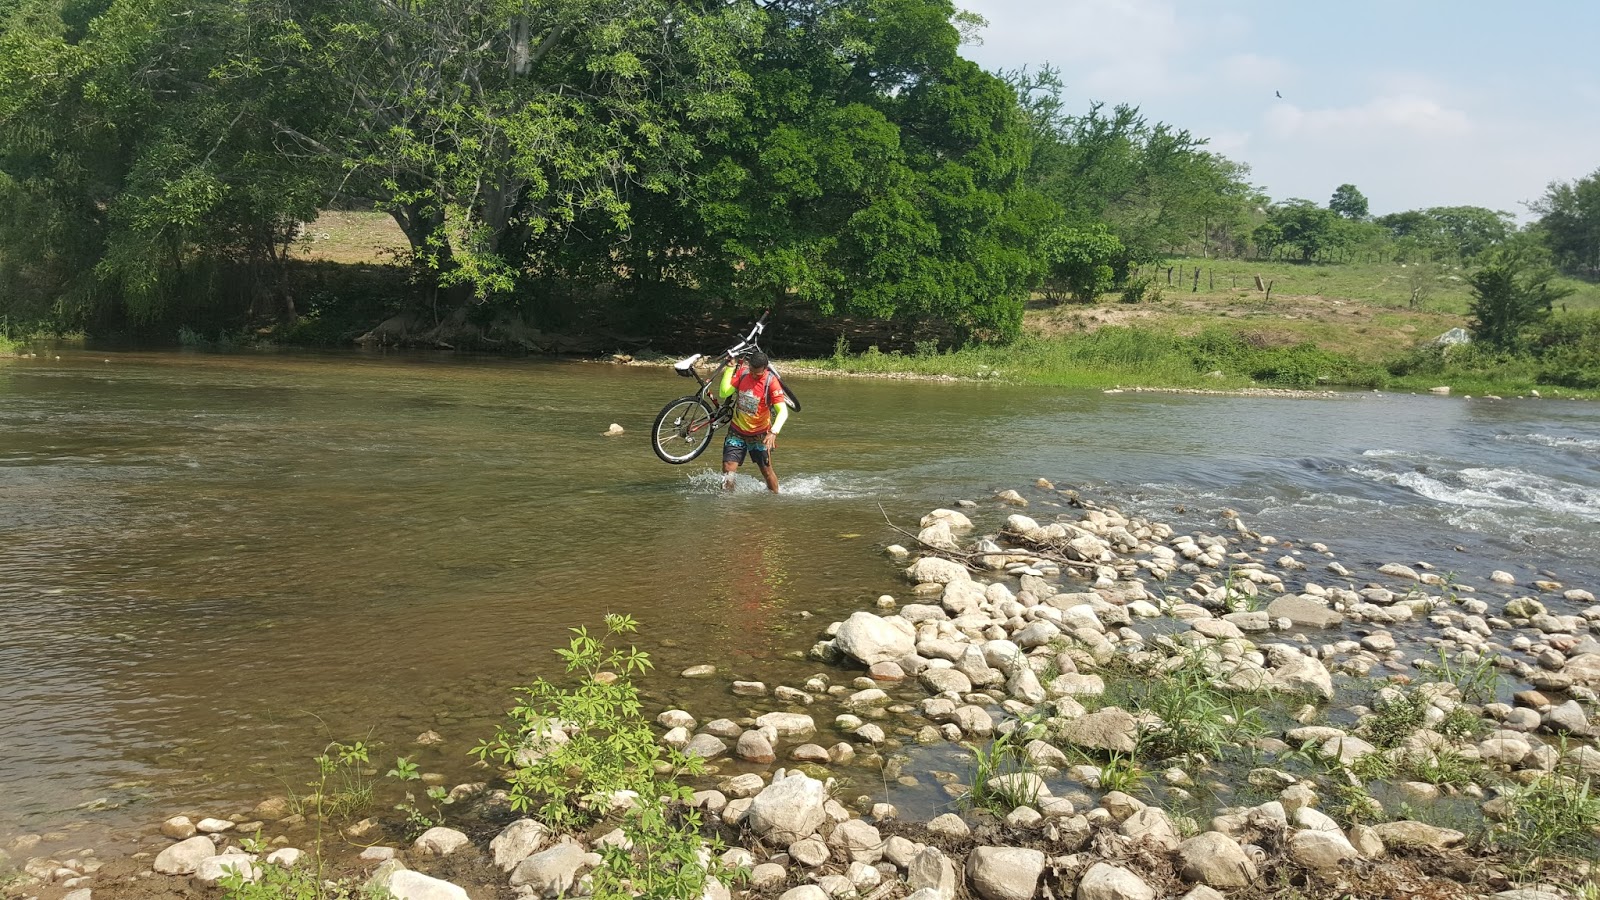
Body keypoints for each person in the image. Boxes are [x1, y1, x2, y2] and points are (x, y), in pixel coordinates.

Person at [718, 350, 789, 493]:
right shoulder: (743, 373)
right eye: (751, 370)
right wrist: (730, 369)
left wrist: (773, 432)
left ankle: (776, 499)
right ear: (748, 365)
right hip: (736, 431)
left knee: (766, 471)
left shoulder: (771, 382)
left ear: (765, 368)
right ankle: (726, 503)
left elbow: (783, 412)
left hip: (760, 435)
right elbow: (724, 392)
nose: (753, 375)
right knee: (728, 468)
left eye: (758, 373)